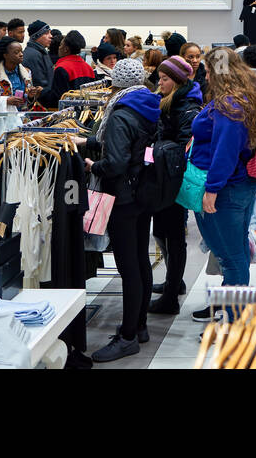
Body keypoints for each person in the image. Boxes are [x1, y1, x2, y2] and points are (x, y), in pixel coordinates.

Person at [84, 58, 162, 362]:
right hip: (143, 191)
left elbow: (115, 163)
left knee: (127, 266)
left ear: (116, 81)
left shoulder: (119, 114)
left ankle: (128, 336)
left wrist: (94, 164)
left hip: (122, 196)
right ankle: (139, 324)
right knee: (141, 260)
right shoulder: (150, 104)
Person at [188, 46, 256, 318]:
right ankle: (228, 309)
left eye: (208, 71)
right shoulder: (239, 98)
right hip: (237, 186)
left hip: (228, 189)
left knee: (232, 258)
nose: (205, 77)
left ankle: (234, 320)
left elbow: (225, 151)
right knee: (235, 254)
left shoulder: (230, 104)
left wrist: (212, 189)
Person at [149, 55, 202, 314]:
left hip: (174, 179)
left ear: (178, 80)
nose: (161, 83)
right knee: (162, 231)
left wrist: (159, 149)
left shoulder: (188, 106)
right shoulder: (171, 102)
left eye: (165, 79)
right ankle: (174, 281)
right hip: (165, 177)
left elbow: (184, 146)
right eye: (160, 78)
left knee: (173, 236)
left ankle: (171, 295)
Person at [0, 37, 38, 109]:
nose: (21, 54)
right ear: (5, 55)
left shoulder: (26, 73)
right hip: (1, 118)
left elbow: (27, 105)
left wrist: (30, 97)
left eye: (21, 51)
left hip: (21, 119)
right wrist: (5, 101)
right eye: (16, 52)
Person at [23, 20, 54, 90]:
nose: (51, 36)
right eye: (46, 33)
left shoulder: (41, 52)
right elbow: (39, 84)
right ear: (36, 36)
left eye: (50, 33)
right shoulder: (32, 55)